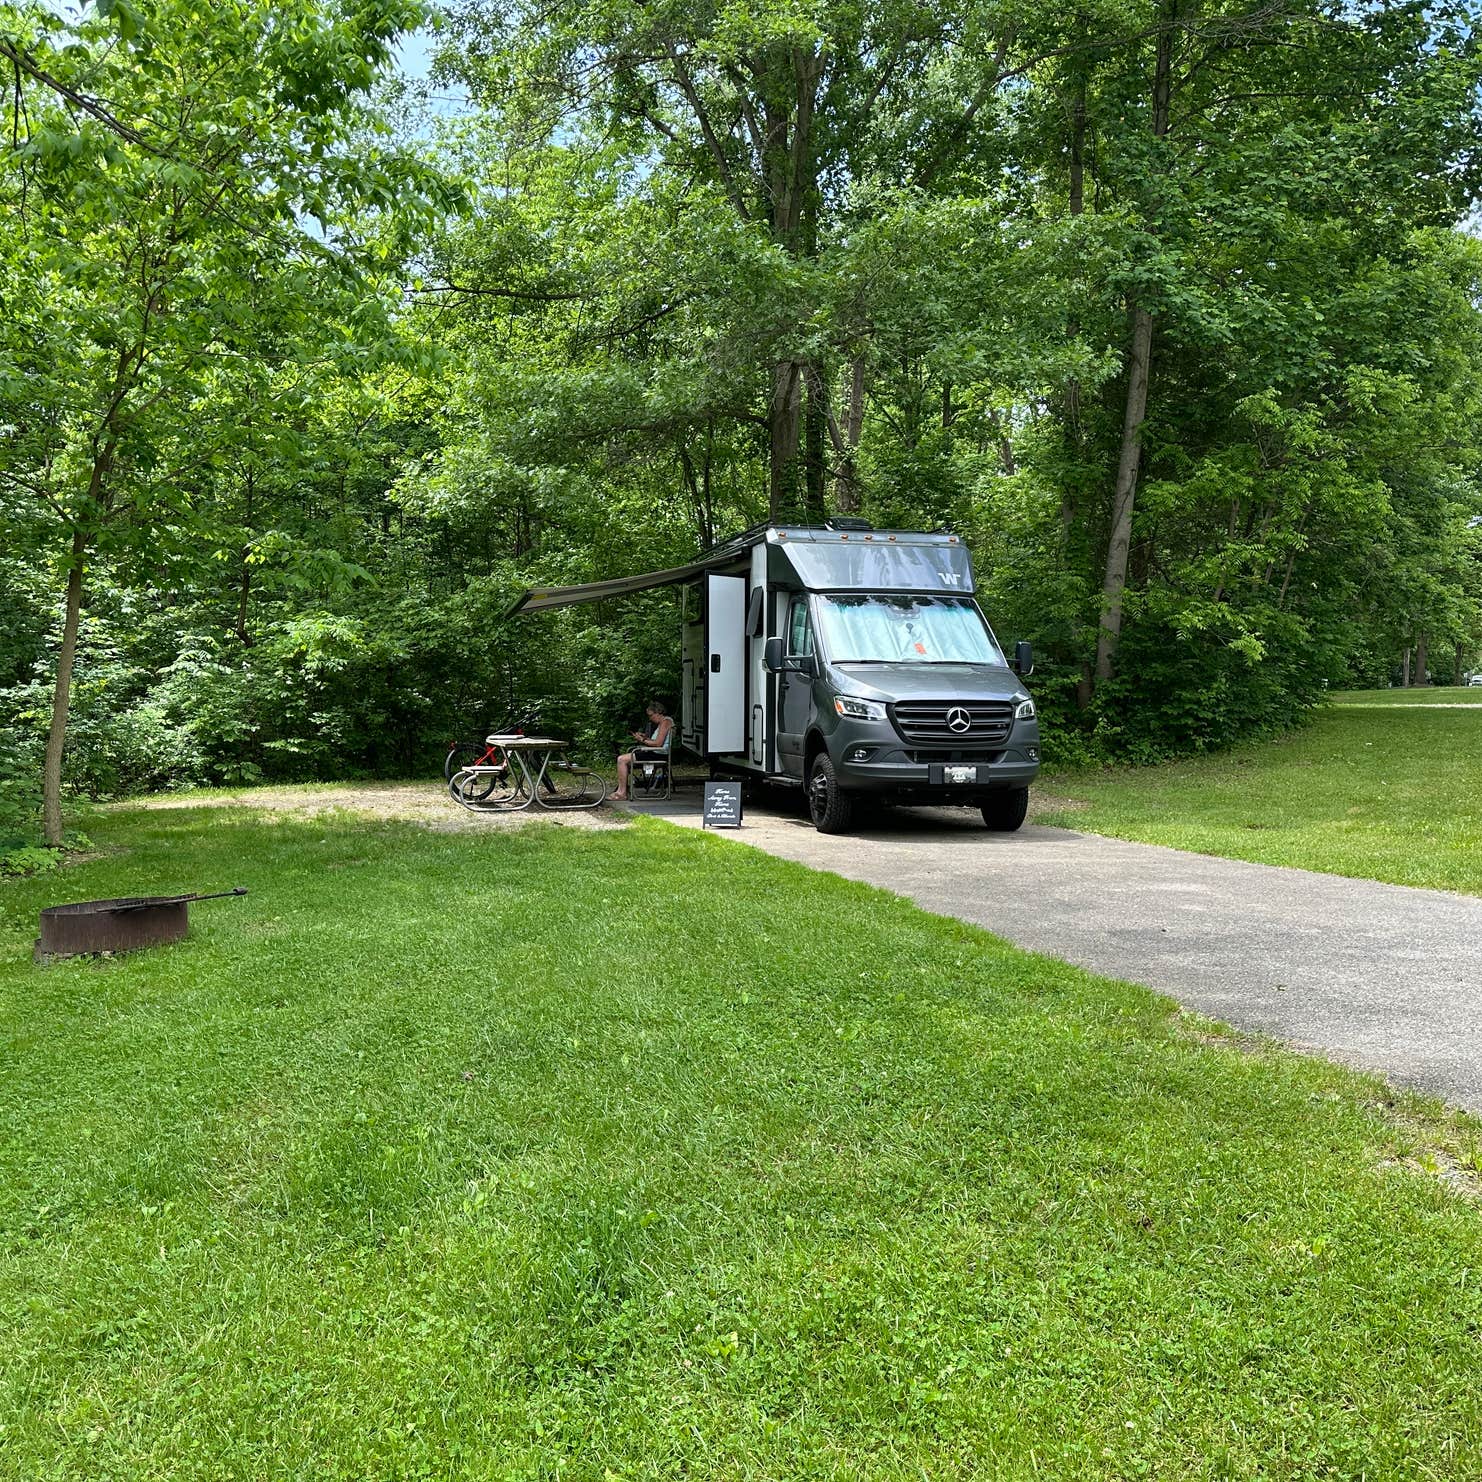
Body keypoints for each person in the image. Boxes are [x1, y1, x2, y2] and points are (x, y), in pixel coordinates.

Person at [612, 700, 673, 801]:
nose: (650, 718)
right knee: (625, 759)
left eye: (651, 715)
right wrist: (645, 737)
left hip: (658, 754)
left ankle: (622, 792)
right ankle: (622, 789)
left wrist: (643, 740)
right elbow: (656, 741)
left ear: (658, 712)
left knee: (621, 759)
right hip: (656, 752)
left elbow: (658, 744)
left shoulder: (665, 722)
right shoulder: (663, 722)